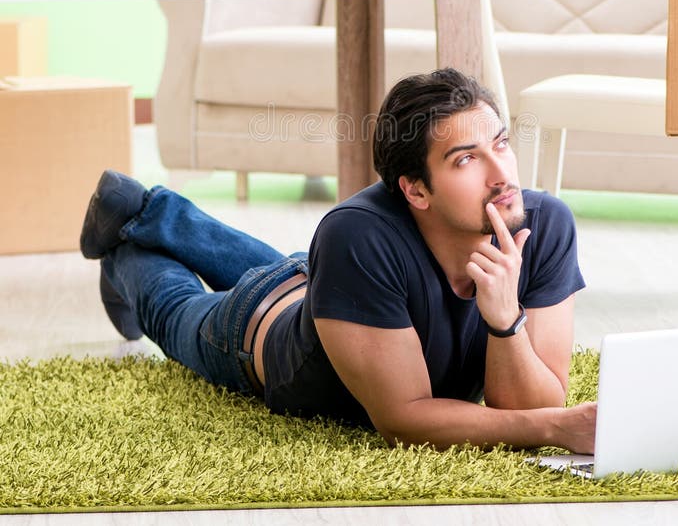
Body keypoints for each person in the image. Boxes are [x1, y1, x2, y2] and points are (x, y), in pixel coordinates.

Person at [81, 68, 596, 453]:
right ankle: (124, 250)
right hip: (255, 324)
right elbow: (404, 419)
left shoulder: (543, 224)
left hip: (335, 289)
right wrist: (553, 428)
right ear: (416, 190)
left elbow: (536, 401)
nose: (501, 173)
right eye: (466, 159)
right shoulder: (357, 237)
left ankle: (148, 208)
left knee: (302, 269)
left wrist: (506, 322)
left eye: (501, 144)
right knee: (174, 307)